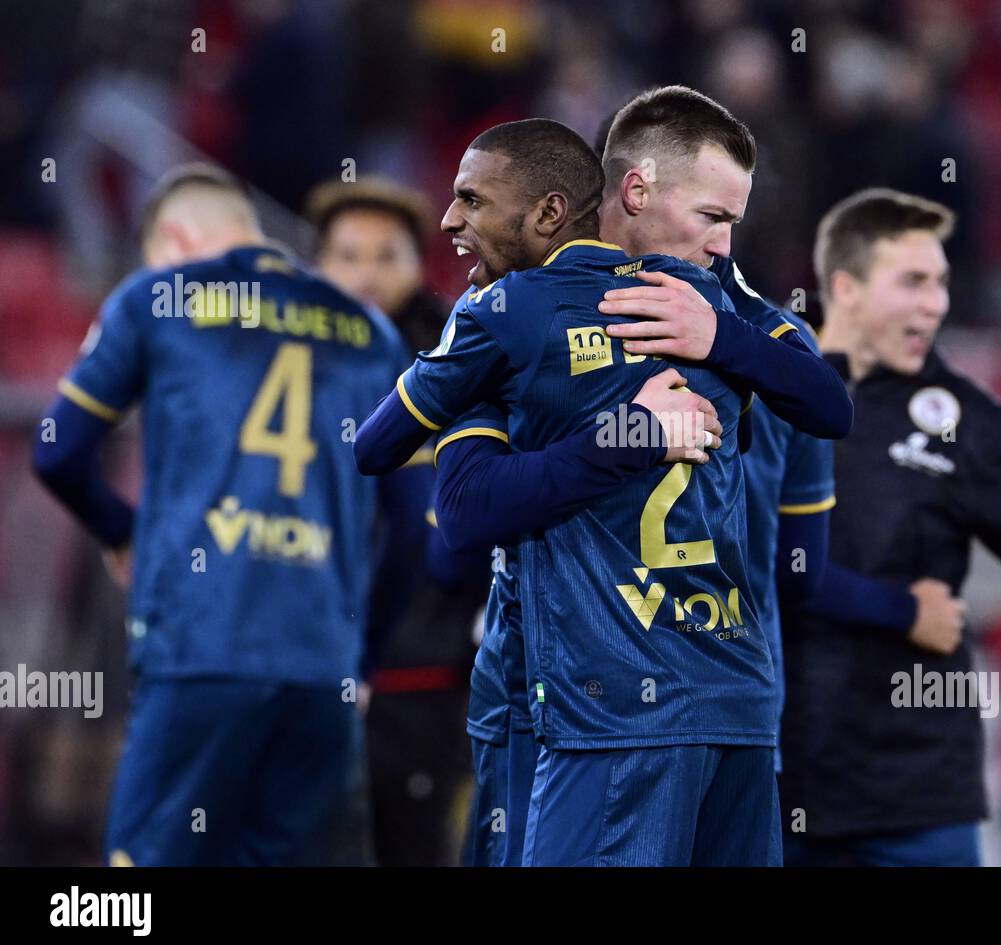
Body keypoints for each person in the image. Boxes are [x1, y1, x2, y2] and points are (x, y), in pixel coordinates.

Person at [355, 116, 851, 865]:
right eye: (711, 217)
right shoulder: (715, 308)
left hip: (598, 702)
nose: (723, 244)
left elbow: (453, 514)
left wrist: (713, 344)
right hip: (715, 688)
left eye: (731, 222)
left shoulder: (518, 315)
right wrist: (641, 427)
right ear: (634, 191)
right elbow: (826, 408)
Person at [32, 163, 419, 866]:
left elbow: (57, 453)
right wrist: (358, 657)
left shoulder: (158, 298)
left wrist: (125, 534)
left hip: (200, 651)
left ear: (175, 240)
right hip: (319, 672)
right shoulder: (369, 332)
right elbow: (417, 527)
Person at [781, 187, 1001, 867]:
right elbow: (758, 562)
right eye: (912, 282)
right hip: (781, 772)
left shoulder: (965, 420)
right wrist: (901, 609)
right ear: (845, 288)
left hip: (920, 791)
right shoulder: (770, 398)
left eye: (940, 283)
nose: (935, 304)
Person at [307, 175, 476, 866]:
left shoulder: (462, 363)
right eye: (348, 255)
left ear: (418, 263)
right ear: (317, 265)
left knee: (415, 844)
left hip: (426, 671)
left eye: (386, 255)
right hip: (308, 662)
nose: (366, 274)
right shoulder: (286, 368)